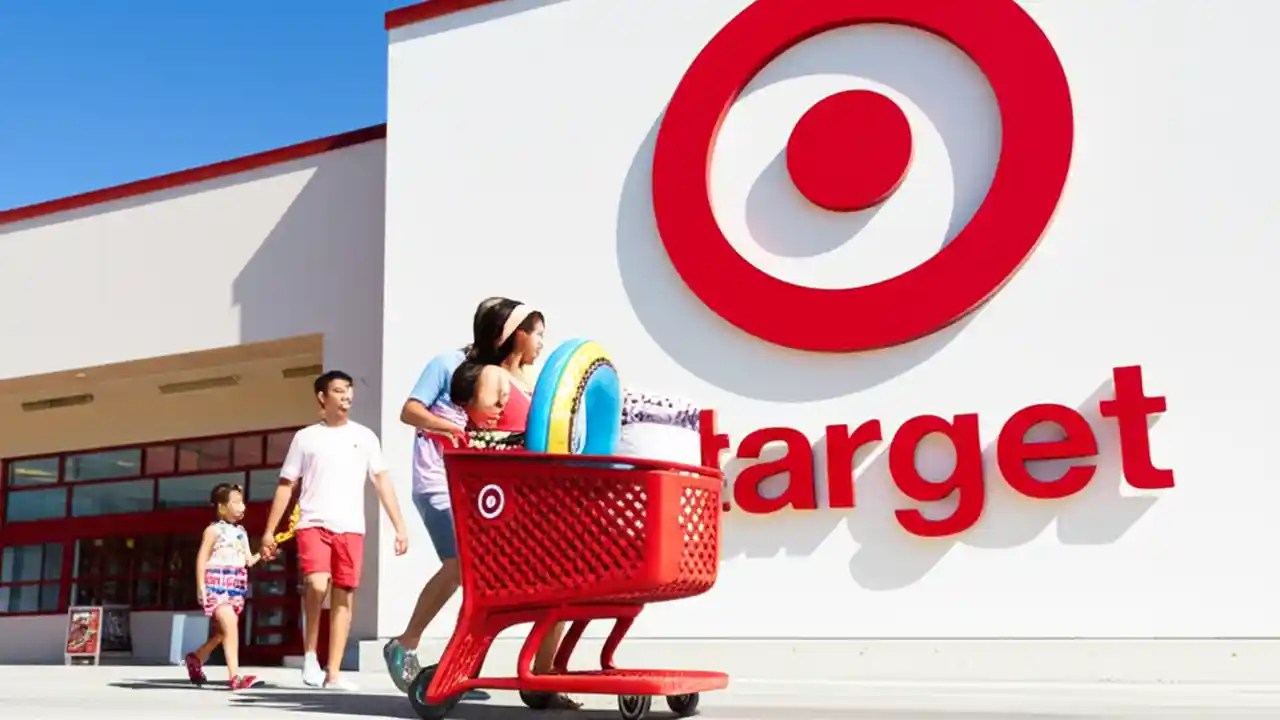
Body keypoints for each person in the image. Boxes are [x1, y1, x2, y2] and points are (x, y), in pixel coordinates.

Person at [451, 302, 582, 710]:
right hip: (507, 502)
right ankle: (461, 671)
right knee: (494, 596)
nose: (542, 343)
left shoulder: (534, 380)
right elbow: (481, 435)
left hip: (537, 497)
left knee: (565, 586)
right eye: (537, 333)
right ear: (515, 333)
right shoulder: (493, 376)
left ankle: (541, 677)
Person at [381, 296, 510, 695]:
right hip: (435, 482)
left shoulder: (494, 376)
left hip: (470, 489)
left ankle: (455, 667)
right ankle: (405, 643)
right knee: (459, 567)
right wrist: (446, 428)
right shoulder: (446, 362)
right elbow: (409, 411)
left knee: (479, 578)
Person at [260, 370, 410, 691]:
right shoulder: (305, 437)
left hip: (351, 527)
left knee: (344, 596)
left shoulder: (366, 437)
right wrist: (269, 531)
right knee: (316, 584)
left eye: (349, 391)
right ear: (322, 397)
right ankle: (311, 654)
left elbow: (382, 481)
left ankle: (334, 673)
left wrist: (399, 526)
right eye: (339, 391)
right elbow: (287, 485)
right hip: (313, 522)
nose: (346, 397)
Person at [184, 483, 262, 691]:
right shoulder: (212, 530)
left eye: (242, 502)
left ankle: (196, 658)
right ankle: (235, 677)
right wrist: (201, 586)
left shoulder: (242, 533)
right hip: (216, 587)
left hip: (235, 588)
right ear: (221, 507)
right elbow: (201, 559)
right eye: (236, 502)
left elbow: (248, 560)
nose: (242, 507)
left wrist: (264, 553)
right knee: (230, 625)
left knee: (222, 633)